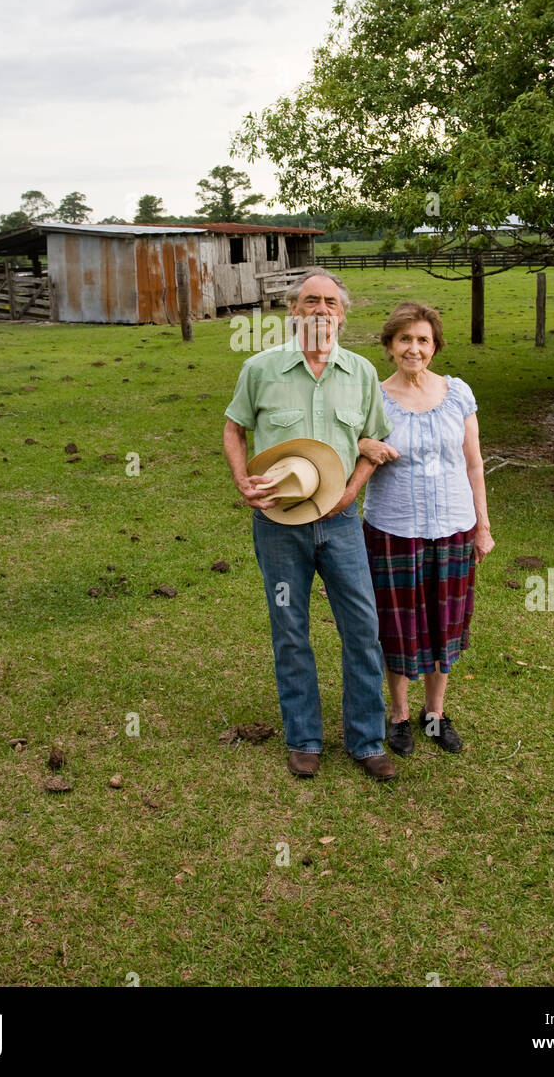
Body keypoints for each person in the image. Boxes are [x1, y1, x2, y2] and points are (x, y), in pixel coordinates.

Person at [223, 269, 399, 781]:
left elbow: (374, 442)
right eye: (310, 301)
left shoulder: (362, 373)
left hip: (342, 525)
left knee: (363, 629)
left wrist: (350, 491)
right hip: (280, 528)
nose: (320, 309)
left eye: (330, 302)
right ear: (293, 311)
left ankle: (366, 741)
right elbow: (235, 428)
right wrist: (242, 480)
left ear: (341, 314)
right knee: (291, 631)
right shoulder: (261, 369)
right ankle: (304, 738)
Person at [358, 302, 495, 756]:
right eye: (404, 340)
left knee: (445, 625)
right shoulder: (373, 397)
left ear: (434, 346)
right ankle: (398, 715)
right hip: (394, 530)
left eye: (423, 340)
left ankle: (434, 715)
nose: (413, 348)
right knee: (398, 627)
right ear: (389, 346)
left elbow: (474, 464)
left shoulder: (458, 394)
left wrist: (482, 527)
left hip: (454, 527)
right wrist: (361, 442)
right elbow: (347, 451)